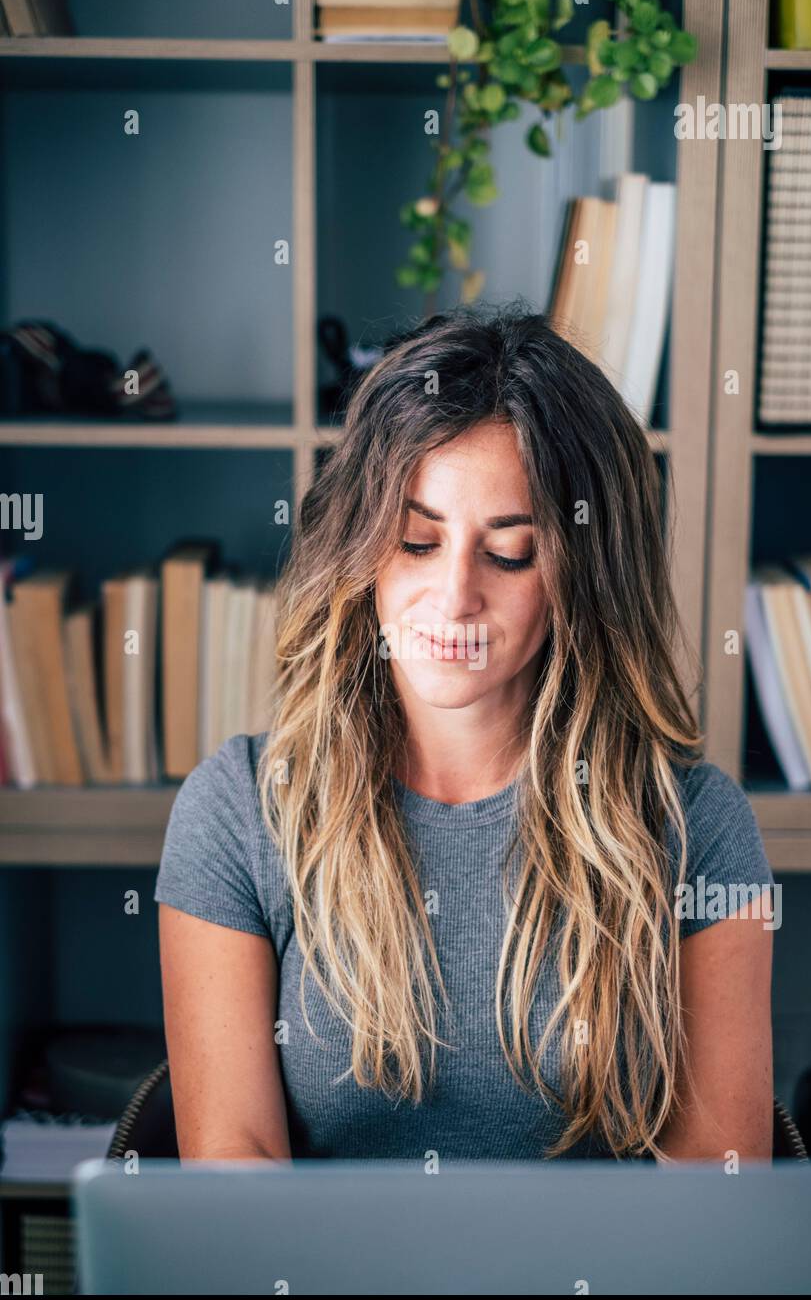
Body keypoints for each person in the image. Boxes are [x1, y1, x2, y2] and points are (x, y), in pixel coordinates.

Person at [155, 304, 775, 1164]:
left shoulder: (695, 826)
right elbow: (234, 1182)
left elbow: (718, 1205)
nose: (454, 598)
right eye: (416, 541)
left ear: (580, 579)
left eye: (511, 553)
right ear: (362, 548)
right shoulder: (240, 812)